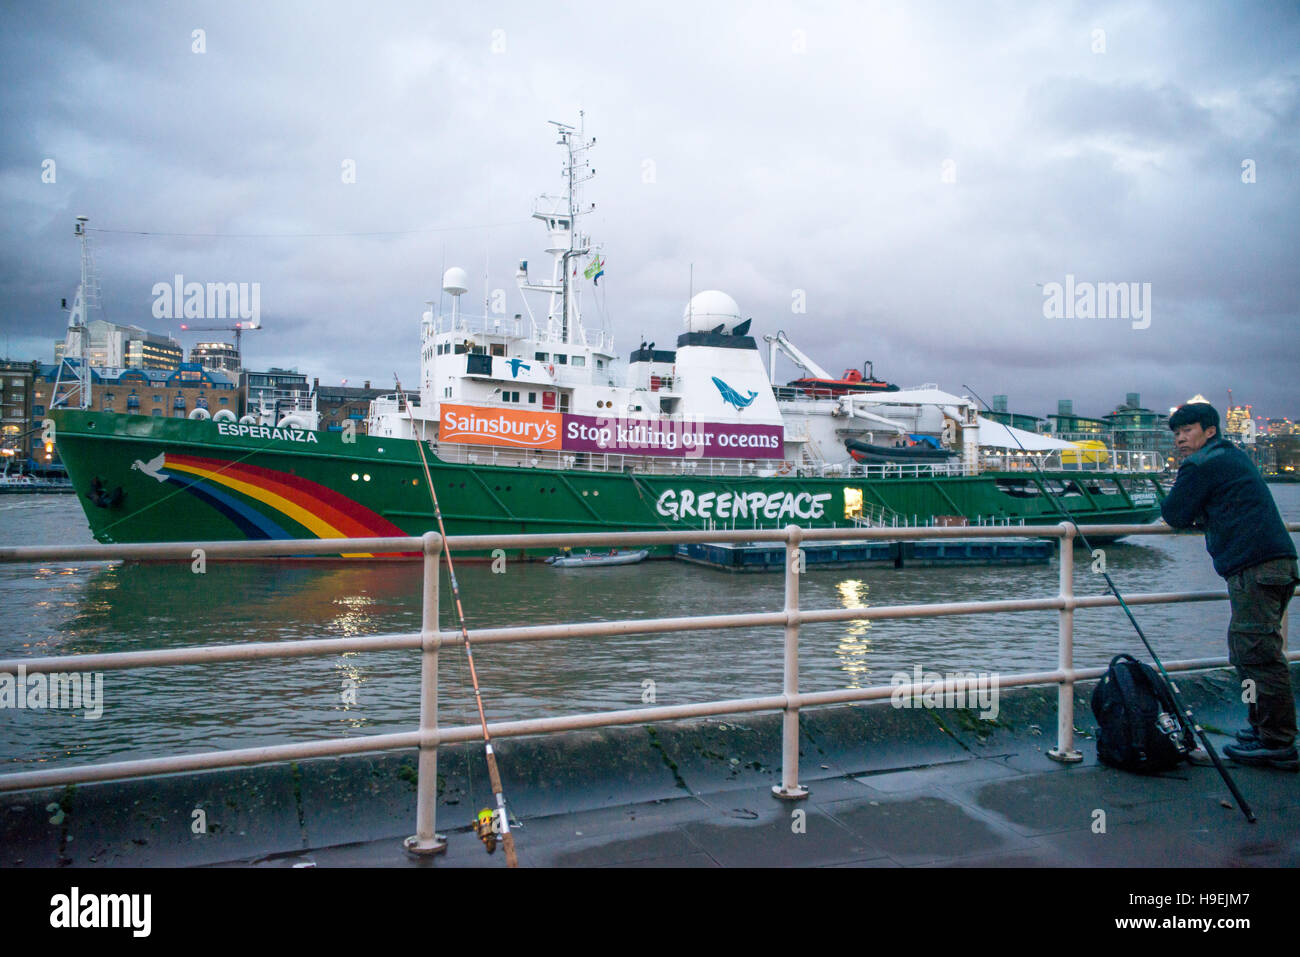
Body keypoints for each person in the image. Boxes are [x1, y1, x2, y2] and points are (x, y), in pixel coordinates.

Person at [1160, 402, 1299, 770]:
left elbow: (1174, 514)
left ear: (1209, 431)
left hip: (1256, 568)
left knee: (1257, 654)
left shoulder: (1203, 464)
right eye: (1176, 434)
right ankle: (1262, 729)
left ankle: (1279, 743)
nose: (1180, 440)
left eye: (1187, 431)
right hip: (1275, 564)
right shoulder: (1232, 457)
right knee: (1248, 650)